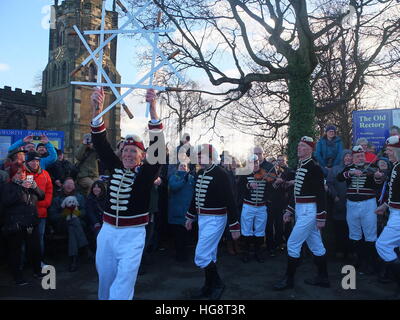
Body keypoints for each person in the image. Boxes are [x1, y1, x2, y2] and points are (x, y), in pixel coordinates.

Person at [90, 87, 164, 300]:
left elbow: (157, 152)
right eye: (126, 150)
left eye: (134, 151)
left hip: (132, 235)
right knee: (105, 280)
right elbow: (100, 143)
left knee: (124, 282)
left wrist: (153, 110)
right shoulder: (114, 167)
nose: (129, 154)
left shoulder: (145, 176)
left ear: (142, 157)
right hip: (107, 232)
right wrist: (97, 109)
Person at [185, 144, 240, 300]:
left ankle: (218, 284)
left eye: (203, 156)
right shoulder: (201, 172)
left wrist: (234, 226)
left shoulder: (221, 173)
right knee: (210, 254)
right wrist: (190, 216)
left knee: (201, 255)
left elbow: (231, 200)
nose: (199, 159)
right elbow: (195, 197)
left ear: (211, 157)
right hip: (202, 218)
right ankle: (208, 286)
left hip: (216, 219)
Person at [274, 136, 329, 290]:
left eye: (302, 146)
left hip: (310, 211)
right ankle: (323, 278)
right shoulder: (300, 166)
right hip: (301, 209)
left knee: (292, 243)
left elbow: (321, 194)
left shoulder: (314, 168)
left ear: (310, 149)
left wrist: (321, 217)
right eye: (298, 145)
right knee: (316, 245)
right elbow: (296, 193)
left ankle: (289, 280)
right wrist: (290, 210)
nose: (299, 148)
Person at [337, 145, 385, 274]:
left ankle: (371, 263)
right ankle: (359, 260)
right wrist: (351, 172)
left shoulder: (372, 168)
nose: (360, 158)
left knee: (370, 234)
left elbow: (377, 184)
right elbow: (339, 177)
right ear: (353, 157)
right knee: (354, 234)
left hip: (368, 204)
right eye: (357, 156)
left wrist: (378, 176)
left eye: (362, 156)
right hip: (351, 205)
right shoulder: (349, 168)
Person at [0, 164, 44, 285]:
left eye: (23, 173)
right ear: (12, 175)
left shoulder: (29, 185)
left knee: (35, 249)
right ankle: (17, 276)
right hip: (16, 224)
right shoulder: (7, 187)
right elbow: (7, 202)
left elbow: (42, 196)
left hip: (31, 222)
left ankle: (37, 271)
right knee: (16, 251)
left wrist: (35, 187)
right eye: (19, 173)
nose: (22, 175)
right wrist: (21, 188)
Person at [375, 135, 400, 298]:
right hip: (394, 212)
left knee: (382, 245)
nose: (387, 153)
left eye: (390, 150)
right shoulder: (396, 166)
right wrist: (386, 205)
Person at [48, 177, 88, 272]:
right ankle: (85, 247)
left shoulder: (79, 197)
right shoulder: (57, 199)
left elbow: (84, 212)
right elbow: (52, 216)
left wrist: (75, 213)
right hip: (62, 224)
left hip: (77, 223)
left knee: (72, 226)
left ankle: (73, 259)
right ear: (63, 185)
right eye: (68, 183)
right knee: (73, 224)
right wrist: (65, 213)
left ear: (74, 186)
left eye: (72, 184)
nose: (70, 185)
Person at [237, 155, 269, 263]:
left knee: (260, 231)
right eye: (252, 163)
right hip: (248, 206)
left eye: (256, 163)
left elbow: (270, 189)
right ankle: (245, 252)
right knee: (246, 230)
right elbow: (239, 188)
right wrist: (248, 186)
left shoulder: (265, 173)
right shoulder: (245, 174)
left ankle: (258, 252)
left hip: (261, 206)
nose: (255, 165)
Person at [25, 151, 53, 264]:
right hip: (26, 213)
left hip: (41, 213)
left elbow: (49, 192)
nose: (35, 163)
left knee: (39, 239)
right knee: (25, 239)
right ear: (28, 161)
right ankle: (25, 262)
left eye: (37, 161)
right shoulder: (22, 173)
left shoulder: (45, 174)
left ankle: (39, 261)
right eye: (32, 161)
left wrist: (44, 203)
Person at [326, 149, 352, 259]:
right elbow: (330, 184)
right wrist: (335, 196)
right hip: (339, 202)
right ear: (342, 157)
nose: (348, 158)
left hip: (352, 204)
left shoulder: (356, 170)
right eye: (346, 156)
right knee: (339, 228)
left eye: (350, 156)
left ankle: (350, 251)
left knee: (351, 228)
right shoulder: (336, 169)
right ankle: (339, 250)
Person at [168, 162, 195, 262]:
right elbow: (174, 187)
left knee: (186, 235)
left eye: (185, 166)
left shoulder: (192, 178)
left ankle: (185, 255)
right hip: (177, 211)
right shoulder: (173, 177)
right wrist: (184, 180)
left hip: (188, 212)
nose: (183, 167)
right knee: (178, 235)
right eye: (181, 166)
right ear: (177, 168)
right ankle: (179, 255)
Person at [85, 180, 107, 247]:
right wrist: (96, 223)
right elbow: (90, 213)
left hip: (105, 222)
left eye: (98, 187)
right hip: (94, 223)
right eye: (94, 187)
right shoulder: (89, 199)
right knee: (99, 233)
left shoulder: (106, 199)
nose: (96, 189)